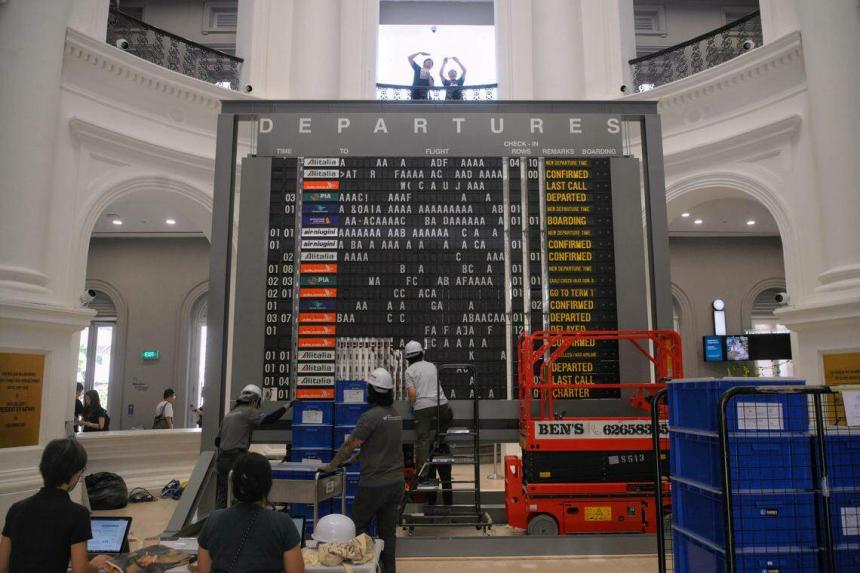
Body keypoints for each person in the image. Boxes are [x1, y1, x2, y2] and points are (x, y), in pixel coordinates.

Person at [320, 368, 403, 573]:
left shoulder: (369, 417)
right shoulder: (395, 415)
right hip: (395, 483)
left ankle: (365, 568)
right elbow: (379, 445)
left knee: (358, 526)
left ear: (373, 391)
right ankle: (387, 569)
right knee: (387, 533)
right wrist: (354, 460)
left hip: (374, 484)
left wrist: (332, 465)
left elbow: (351, 444)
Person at [0, 438, 109, 573]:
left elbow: (2, 566)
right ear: (75, 474)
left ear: (43, 468)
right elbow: (80, 570)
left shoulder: (16, 509)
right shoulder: (78, 514)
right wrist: (94, 564)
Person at [197, 452, 303, 573]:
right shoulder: (282, 523)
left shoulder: (213, 520)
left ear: (234, 483)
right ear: (268, 485)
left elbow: (203, 569)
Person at [214, 384, 287, 508]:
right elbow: (269, 420)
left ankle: (219, 520)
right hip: (236, 458)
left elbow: (217, 441)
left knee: (223, 495)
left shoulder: (229, 414)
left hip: (222, 459)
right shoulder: (249, 411)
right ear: (254, 401)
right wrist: (287, 406)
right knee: (242, 493)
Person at [404, 341, 453, 505]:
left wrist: (412, 406)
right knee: (448, 417)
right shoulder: (432, 366)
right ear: (421, 353)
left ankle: (423, 475)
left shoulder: (409, 371)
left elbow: (412, 393)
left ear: (408, 357)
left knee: (423, 440)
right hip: (440, 405)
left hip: (422, 408)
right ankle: (440, 437)